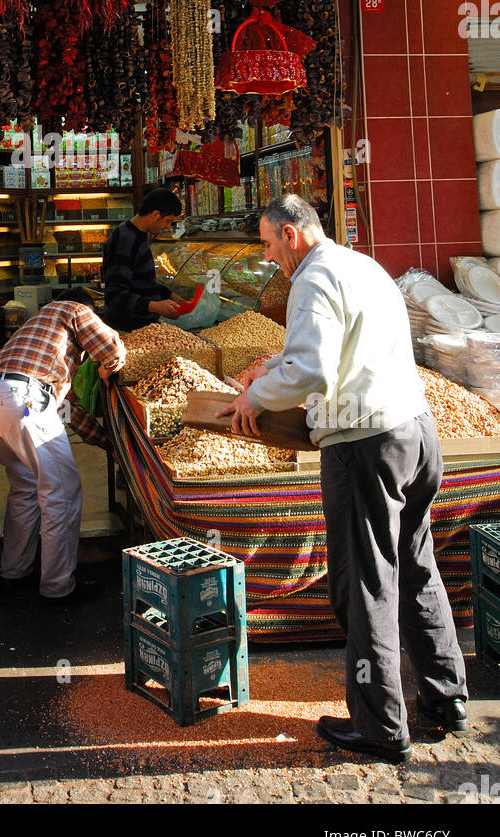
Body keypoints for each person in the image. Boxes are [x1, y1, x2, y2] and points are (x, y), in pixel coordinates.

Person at [217, 193, 468, 763]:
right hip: (415, 430)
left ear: (293, 235)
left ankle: (380, 728)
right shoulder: (362, 264)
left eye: (268, 244)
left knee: (366, 581)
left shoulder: (312, 277)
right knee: (415, 565)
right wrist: (274, 369)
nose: (269, 256)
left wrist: (255, 394)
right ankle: (446, 698)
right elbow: (342, 352)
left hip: (365, 445)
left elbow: (314, 368)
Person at [0, 297, 126, 605]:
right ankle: (57, 588)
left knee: (26, 486)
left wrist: (112, 446)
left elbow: (69, 412)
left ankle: (13, 574)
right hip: (24, 399)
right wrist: (112, 366)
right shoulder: (72, 308)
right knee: (62, 492)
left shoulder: (40, 337)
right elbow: (109, 346)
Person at [100, 187, 184, 332]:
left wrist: (173, 297)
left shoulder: (137, 234)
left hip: (140, 325)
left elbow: (141, 280)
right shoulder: (125, 239)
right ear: (156, 214)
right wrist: (156, 306)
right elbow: (115, 294)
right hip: (127, 326)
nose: (168, 227)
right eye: (168, 221)